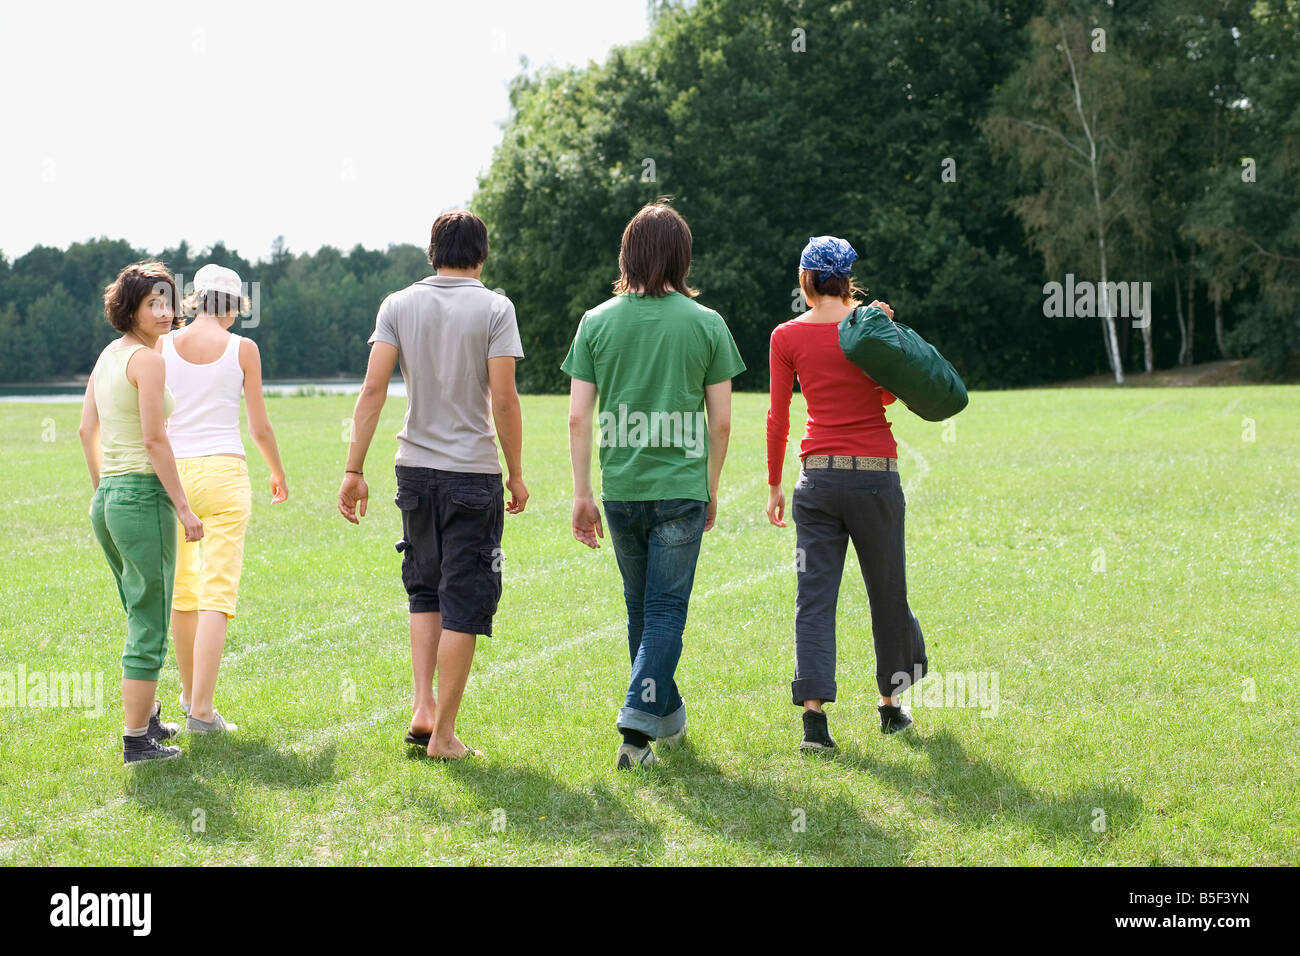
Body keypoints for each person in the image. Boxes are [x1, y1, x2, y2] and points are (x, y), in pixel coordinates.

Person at [338, 210, 527, 761]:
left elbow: (373, 390)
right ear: (482, 254)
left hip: (413, 470)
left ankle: (422, 708)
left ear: (432, 252)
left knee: (424, 591)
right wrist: (515, 472)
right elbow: (504, 398)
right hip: (472, 473)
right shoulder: (496, 308)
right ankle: (443, 736)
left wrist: (354, 469)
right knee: (464, 601)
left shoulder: (398, 304)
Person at [564, 199, 746, 770]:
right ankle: (637, 730)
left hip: (621, 488)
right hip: (681, 488)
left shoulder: (596, 321)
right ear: (682, 257)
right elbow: (721, 421)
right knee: (665, 612)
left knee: (641, 611)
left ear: (628, 254)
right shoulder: (708, 324)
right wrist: (711, 484)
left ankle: (665, 719)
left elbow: (576, 417)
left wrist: (581, 493)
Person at [765, 236, 928, 752]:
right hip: (875, 474)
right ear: (847, 278)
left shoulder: (785, 336)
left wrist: (774, 483)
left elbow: (778, 416)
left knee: (814, 598)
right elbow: (891, 392)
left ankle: (814, 721)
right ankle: (890, 707)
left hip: (816, 480)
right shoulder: (871, 326)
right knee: (888, 590)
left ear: (806, 280)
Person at [78, 261, 204, 764]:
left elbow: (87, 431)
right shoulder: (148, 362)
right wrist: (184, 506)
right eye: (153, 302)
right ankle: (137, 741)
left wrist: (103, 489)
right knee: (149, 621)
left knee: (138, 612)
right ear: (128, 307)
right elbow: (155, 439)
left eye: (169, 301)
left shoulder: (111, 355)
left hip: (109, 498)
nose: (165, 312)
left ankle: (148, 718)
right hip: (140, 497)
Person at [161, 263, 288, 734]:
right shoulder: (243, 349)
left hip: (172, 476)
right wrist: (277, 471)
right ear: (234, 305)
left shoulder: (163, 343)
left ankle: (189, 696)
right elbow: (259, 426)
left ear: (196, 299)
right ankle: (202, 711)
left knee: (183, 593)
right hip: (224, 474)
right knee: (217, 593)